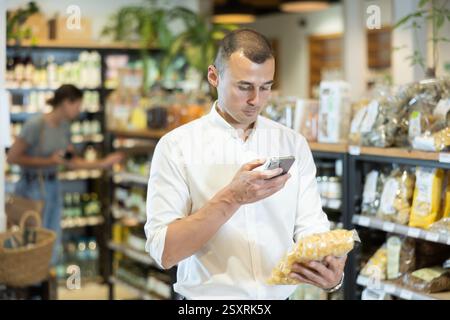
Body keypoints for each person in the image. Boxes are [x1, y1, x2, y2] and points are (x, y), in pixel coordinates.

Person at [145, 29, 346, 300]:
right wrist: (232, 197)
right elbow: (165, 253)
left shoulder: (292, 144)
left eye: (266, 87)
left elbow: (311, 226)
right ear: (214, 76)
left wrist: (329, 270)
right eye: (244, 86)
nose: (256, 100)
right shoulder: (176, 147)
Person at [7, 84, 124, 265]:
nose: (79, 110)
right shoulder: (36, 125)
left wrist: (103, 163)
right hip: (31, 189)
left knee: (51, 240)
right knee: (32, 241)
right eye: (77, 105)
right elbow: (12, 157)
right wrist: (50, 162)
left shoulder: (64, 127)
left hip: (53, 187)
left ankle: (46, 284)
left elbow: (72, 163)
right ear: (64, 102)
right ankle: (30, 287)